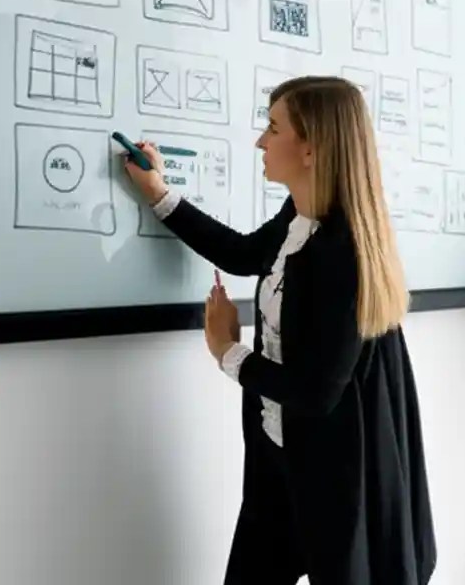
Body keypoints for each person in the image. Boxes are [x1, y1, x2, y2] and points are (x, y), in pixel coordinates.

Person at [124, 76, 436, 585]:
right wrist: (160, 194)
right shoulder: (299, 218)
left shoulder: (343, 255)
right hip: (277, 461)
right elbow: (243, 253)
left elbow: (315, 393)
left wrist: (227, 352)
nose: (260, 142)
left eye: (273, 128)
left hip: (333, 478)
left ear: (311, 149)